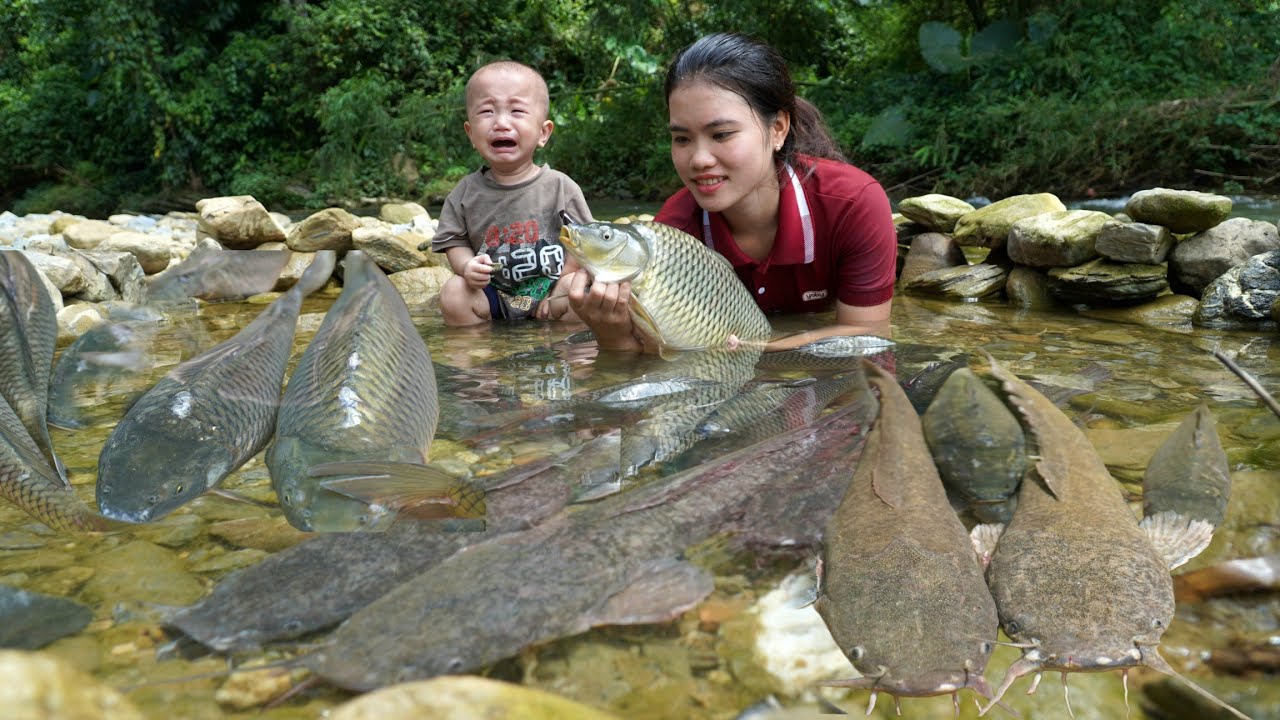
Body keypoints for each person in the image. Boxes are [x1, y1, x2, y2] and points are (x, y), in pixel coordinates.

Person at [566, 33, 897, 351]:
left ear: (778, 128)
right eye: (681, 139)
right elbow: (655, 360)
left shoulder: (854, 204)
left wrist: (766, 349)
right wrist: (613, 338)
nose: (699, 159)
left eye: (721, 134)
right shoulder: (673, 235)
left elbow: (866, 337)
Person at [429, 60, 593, 325]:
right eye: (487, 112)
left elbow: (584, 244)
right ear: (470, 133)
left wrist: (561, 283)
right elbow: (454, 242)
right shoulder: (464, 194)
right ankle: (478, 355)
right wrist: (467, 267)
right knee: (453, 293)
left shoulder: (561, 188)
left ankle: (571, 353)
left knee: (581, 288)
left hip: (552, 292)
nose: (501, 123)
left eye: (517, 111)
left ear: (543, 132)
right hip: (492, 294)